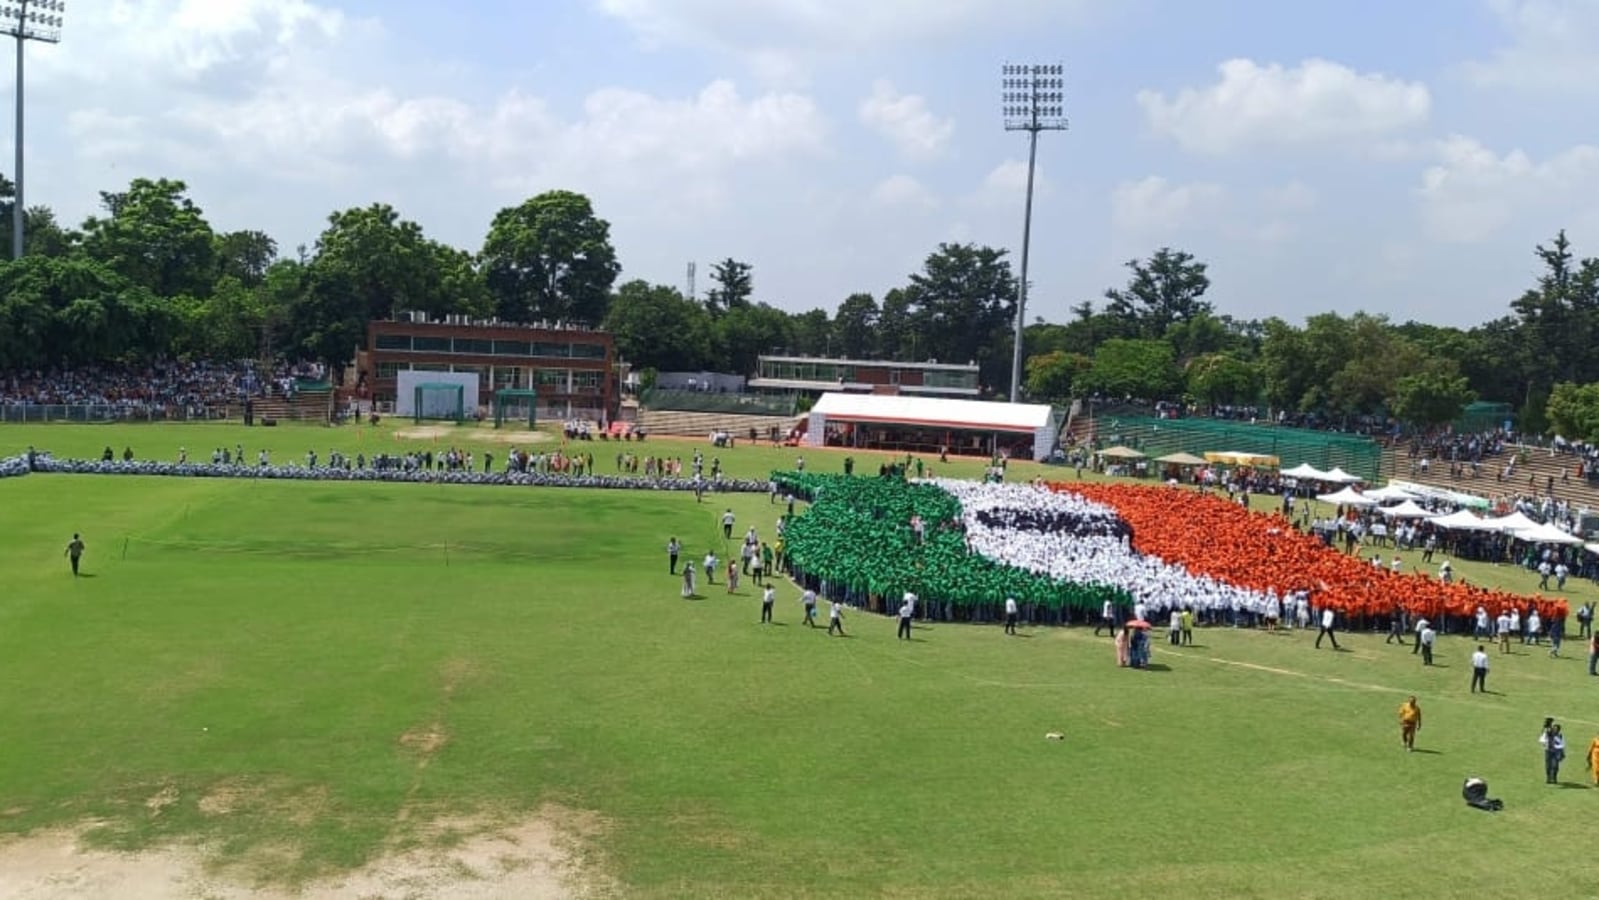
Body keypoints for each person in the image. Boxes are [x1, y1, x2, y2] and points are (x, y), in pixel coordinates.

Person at [1541, 720, 1566, 785]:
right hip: (1548, 752)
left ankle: (1554, 777)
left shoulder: (1560, 736)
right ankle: (1548, 778)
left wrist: (1561, 752)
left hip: (1556, 753)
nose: (1554, 730)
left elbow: (1562, 744)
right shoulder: (1548, 734)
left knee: (1555, 766)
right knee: (1548, 766)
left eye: (1556, 729)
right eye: (1554, 729)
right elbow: (1542, 738)